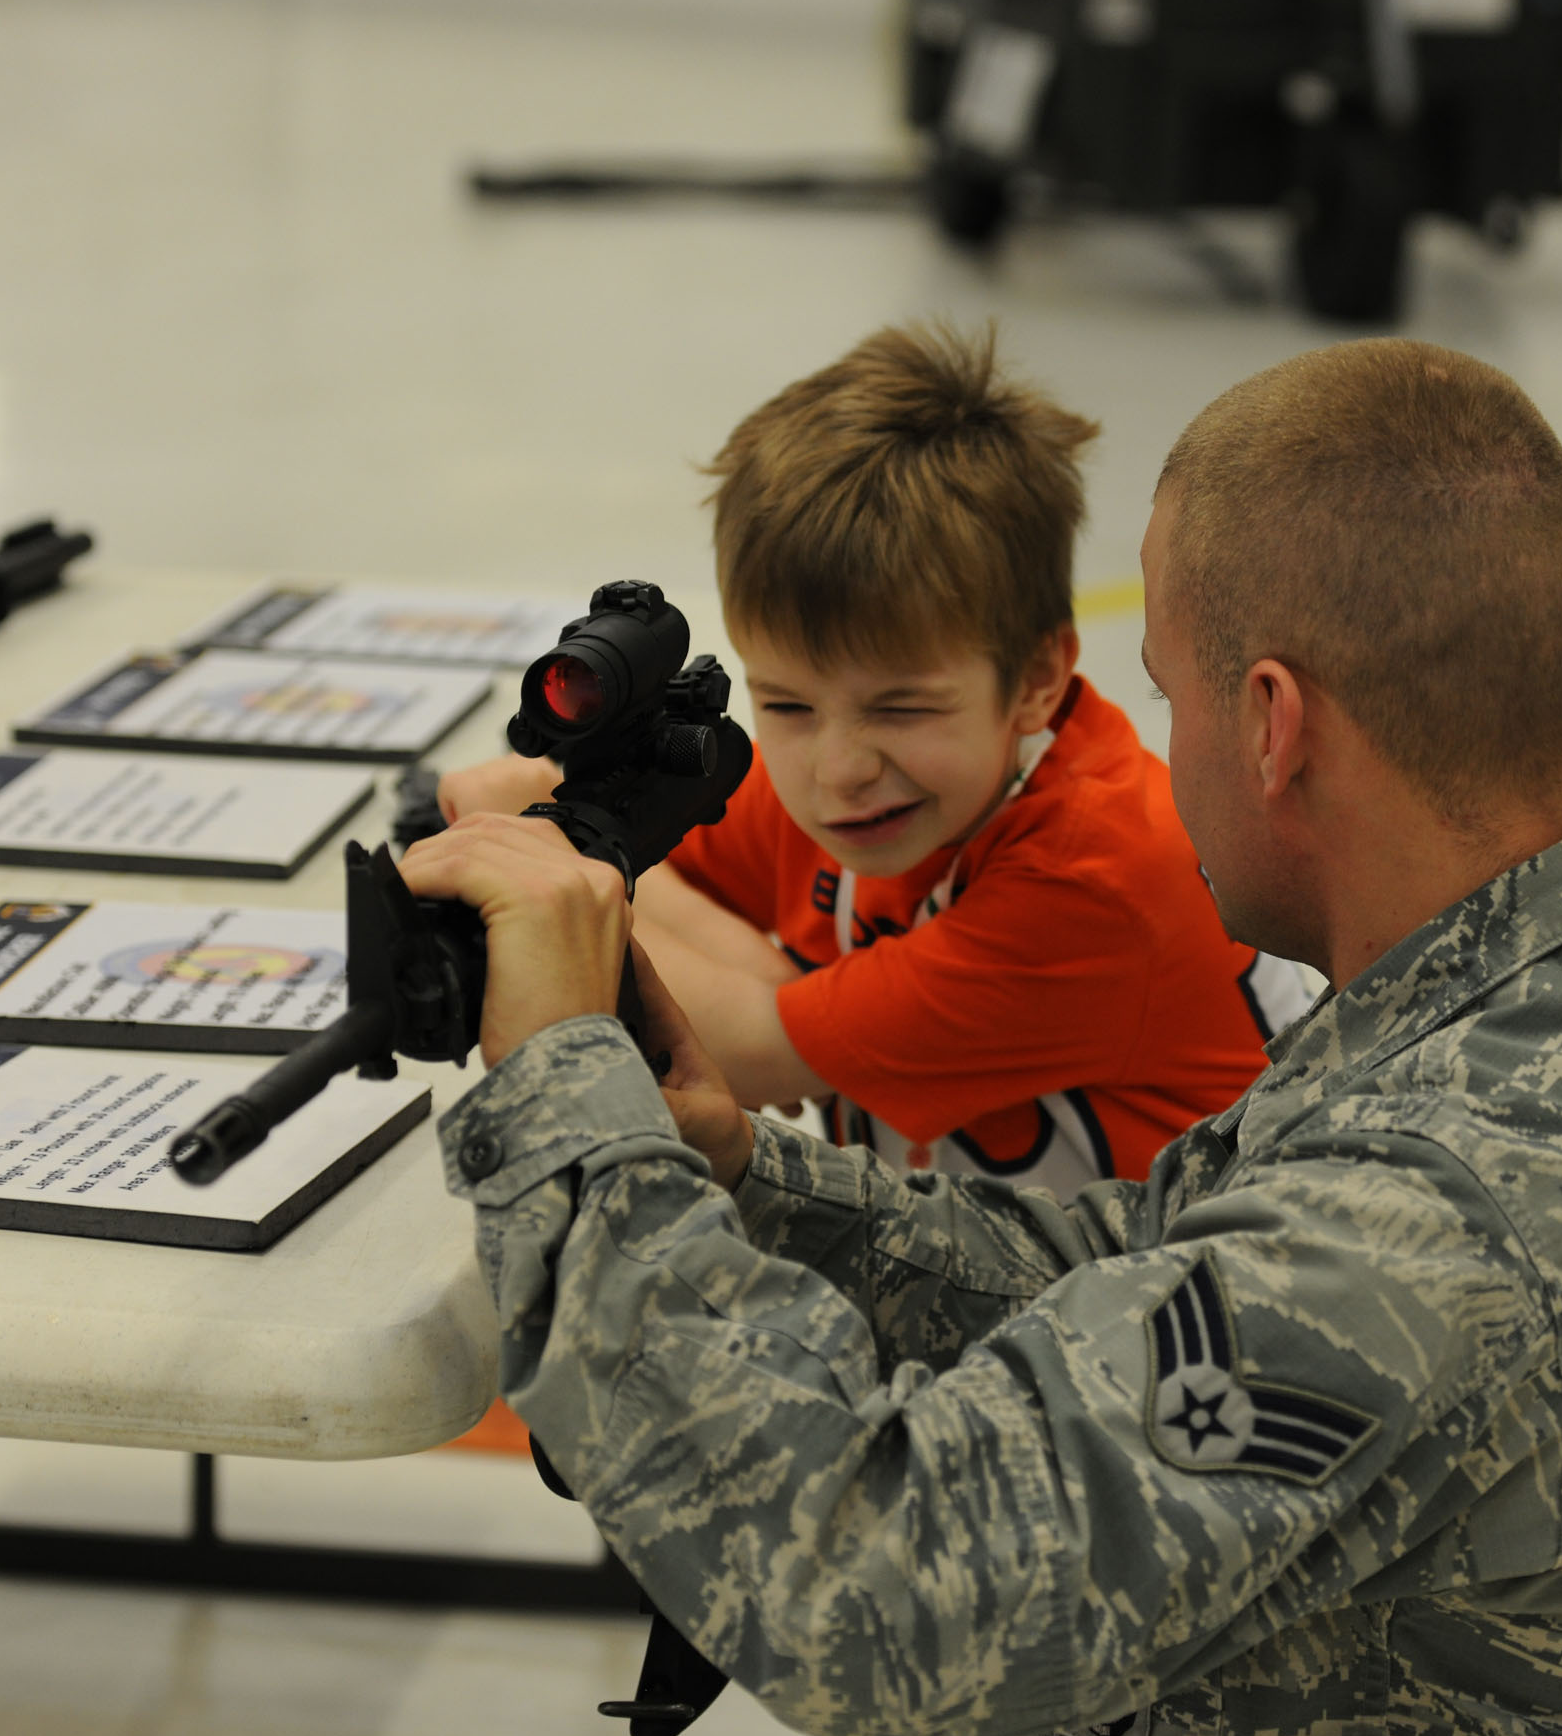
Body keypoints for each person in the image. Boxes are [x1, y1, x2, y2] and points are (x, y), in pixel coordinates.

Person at [402, 339, 1562, 1736]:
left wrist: (566, 1086)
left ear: (1271, 725)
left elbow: (865, 1594)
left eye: (1172, 695)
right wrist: (750, 1176)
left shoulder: (1447, 1206)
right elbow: (1168, 1264)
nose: (1156, 751)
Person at [438, 322, 1305, 1195]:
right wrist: (564, 839)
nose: (837, 768)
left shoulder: (1095, 874)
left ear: (1038, 677)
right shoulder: (878, 788)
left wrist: (548, 854)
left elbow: (759, 1053)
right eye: (783, 703)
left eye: (902, 706)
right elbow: (686, 910)